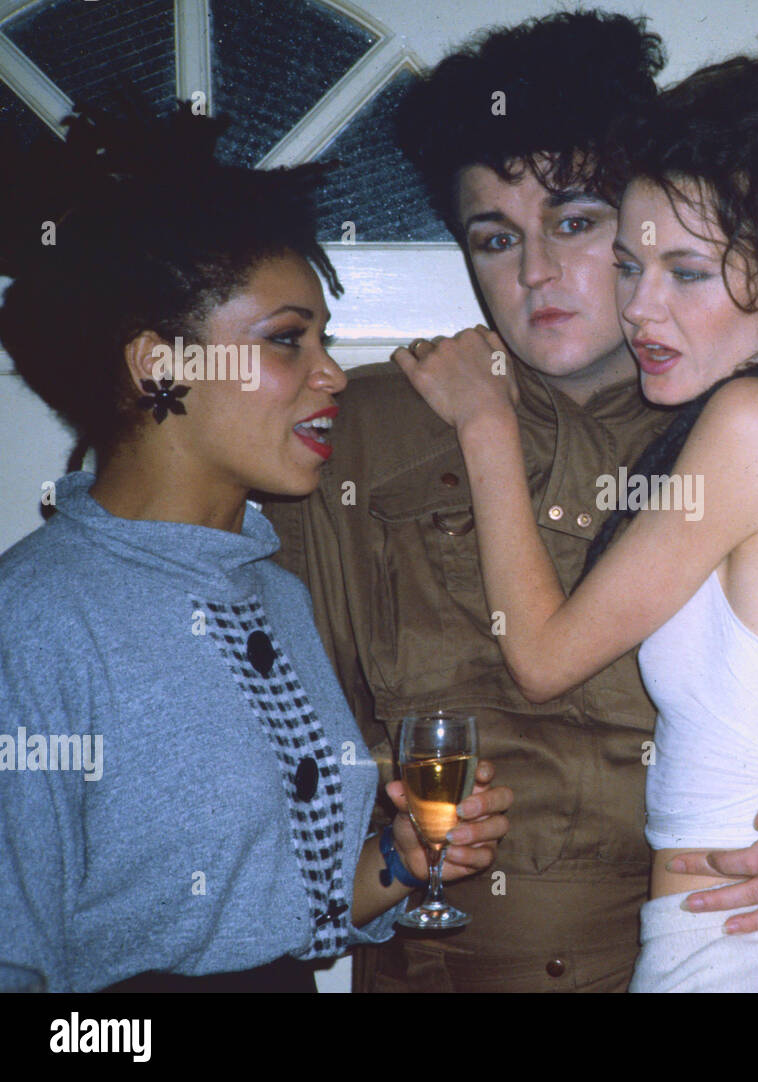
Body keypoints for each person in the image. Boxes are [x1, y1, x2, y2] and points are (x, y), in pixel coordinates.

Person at [265, 10, 758, 994]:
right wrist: (378, 849)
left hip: (710, 950)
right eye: (494, 235)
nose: (537, 271)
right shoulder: (365, 431)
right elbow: (265, 735)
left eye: (577, 223)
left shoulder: (749, 431)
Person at [0, 104, 510, 993]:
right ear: (159, 364)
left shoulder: (272, 594)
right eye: (286, 342)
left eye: (322, 339)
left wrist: (398, 857)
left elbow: (282, 924)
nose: (333, 374)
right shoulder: (36, 621)